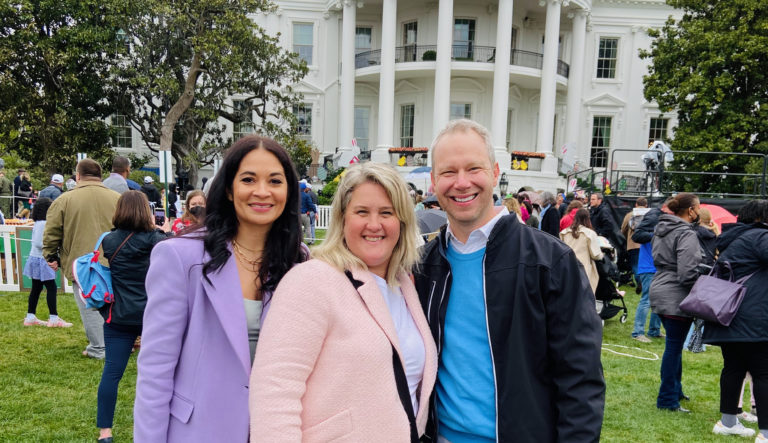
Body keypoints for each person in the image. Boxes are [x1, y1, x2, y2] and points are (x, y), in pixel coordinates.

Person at [414, 119, 605, 442]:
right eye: (448, 172)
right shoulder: (423, 266)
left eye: (474, 168)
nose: (462, 183)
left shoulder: (550, 261)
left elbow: (580, 381)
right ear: (433, 181)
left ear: (495, 172)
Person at [134, 135, 308, 442]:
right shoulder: (180, 257)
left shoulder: (301, 263)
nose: (262, 191)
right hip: (199, 430)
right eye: (249, 179)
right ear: (228, 189)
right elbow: (155, 373)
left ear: (289, 190)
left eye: (275, 181)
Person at [250, 162, 438, 441]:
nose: (374, 224)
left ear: (402, 221)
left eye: (386, 212)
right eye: (362, 212)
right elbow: (275, 392)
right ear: (343, 218)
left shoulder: (404, 286)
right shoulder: (312, 280)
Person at [96, 191, 170, 443]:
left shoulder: (109, 241)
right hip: (153, 315)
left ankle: (105, 432)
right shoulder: (158, 240)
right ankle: (159, 427)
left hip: (119, 315)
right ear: (145, 211)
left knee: (112, 372)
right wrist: (165, 230)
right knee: (159, 374)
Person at [703, 200, 768, 439]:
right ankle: (766, 432)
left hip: (730, 315)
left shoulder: (732, 239)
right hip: (753, 316)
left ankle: (728, 423)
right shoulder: (759, 236)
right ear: (762, 218)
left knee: (734, 368)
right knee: (763, 372)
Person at [43, 159, 120, 359]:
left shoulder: (64, 200)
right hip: (115, 259)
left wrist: (50, 255)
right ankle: (119, 343)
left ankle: (99, 347)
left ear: (78, 176)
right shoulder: (117, 198)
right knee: (115, 304)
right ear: (100, 175)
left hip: (82, 262)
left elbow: (51, 232)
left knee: (91, 305)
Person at [650, 192, 703, 413]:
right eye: (698, 207)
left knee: (674, 344)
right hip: (675, 294)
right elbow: (687, 272)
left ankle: (675, 390)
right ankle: (667, 399)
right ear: (690, 211)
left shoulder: (662, 228)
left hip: (660, 288)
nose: (699, 211)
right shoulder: (685, 233)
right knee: (673, 347)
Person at [22, 197, 72, 328]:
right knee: (51, 287)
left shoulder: (38, 223)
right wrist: (52, 251)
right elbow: (39, 243)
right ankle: (53, 318)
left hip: (36, 258)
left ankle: (30, 316)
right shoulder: (44, 223)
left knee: (36, 288)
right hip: (42, 259)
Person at [630, 199, 668, 343]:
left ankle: (654, 330)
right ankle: (637, 332)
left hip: (658, 266)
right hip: (648, 267)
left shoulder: (657, 223)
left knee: (658, 300)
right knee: (647, 299)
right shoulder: (652, 223)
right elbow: (638, 236)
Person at [560, 208, 604, 294]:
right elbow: (595, 255)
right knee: (583, 294)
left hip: (568, 266)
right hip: (583, 267)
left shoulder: (564, 233)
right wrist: (602, 255)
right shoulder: (589, 234)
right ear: (587, 219)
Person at [621, 197, 648, 292]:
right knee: (646, 265)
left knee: (635, 264)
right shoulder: (650, 214)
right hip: (647, 243)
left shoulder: (630, 215)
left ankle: (639, 281)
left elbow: (623, 229)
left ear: (636, 204)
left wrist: (628, 237)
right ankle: (645, 283)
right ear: (646, 205)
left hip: (633, 244)